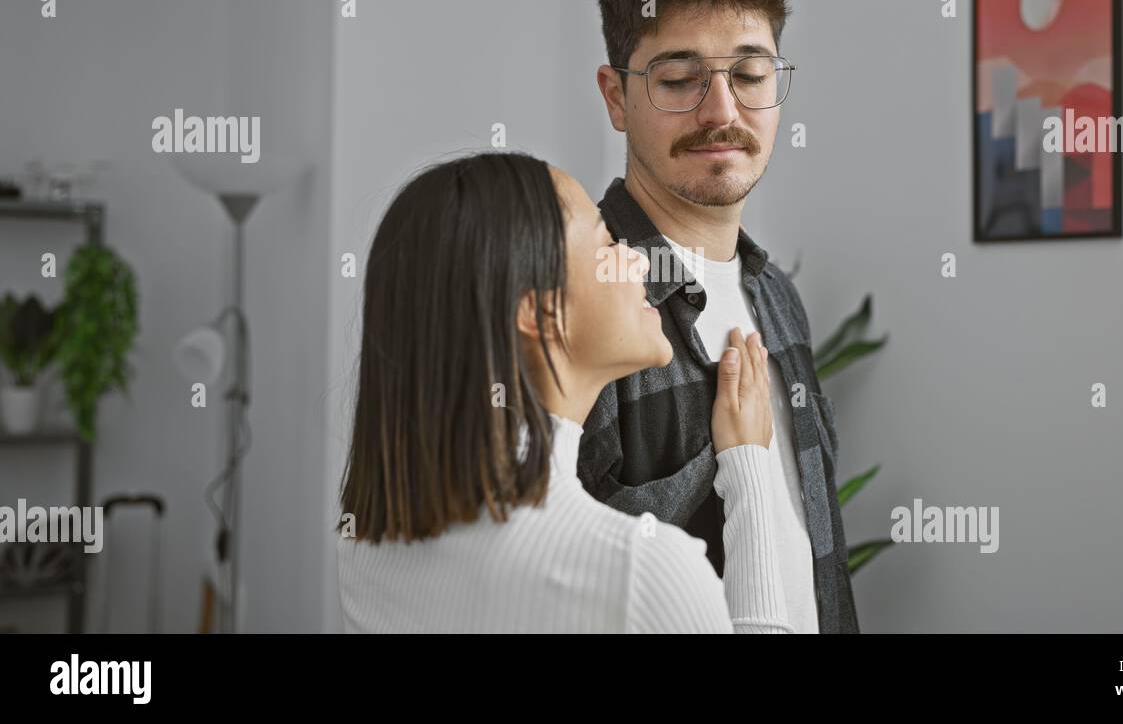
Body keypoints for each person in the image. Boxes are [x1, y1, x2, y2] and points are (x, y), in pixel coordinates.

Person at [335, 151, 792, 633]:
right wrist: (748, 469)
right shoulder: (639, 572)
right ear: (541, 313)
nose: (636, 259)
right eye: (605, 244)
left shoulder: (365, 548)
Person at [580, 0, 859, 632]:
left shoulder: (779, 297)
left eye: (750, 74)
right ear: (616, 97)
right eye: (679, 79)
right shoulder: (579, 294)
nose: (722, 111)